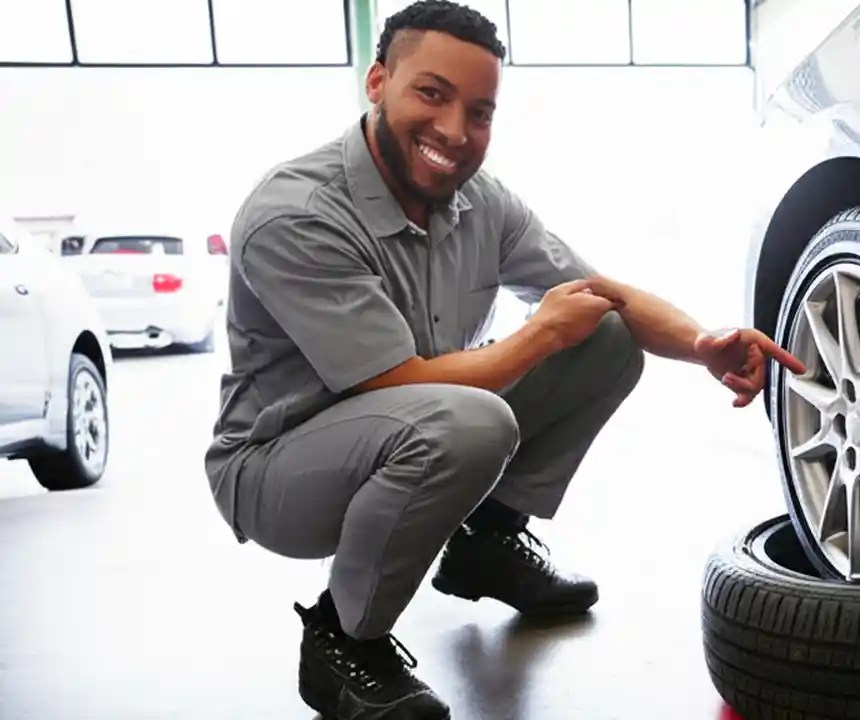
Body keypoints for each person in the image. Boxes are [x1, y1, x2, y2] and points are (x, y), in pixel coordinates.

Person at [203, 2, 805, 718]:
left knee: (603, 336)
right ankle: (344, 642)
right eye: (431, 93)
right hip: (276, 469)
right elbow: (393, 381)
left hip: (423, 425)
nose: (456, 132)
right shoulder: (296, 213)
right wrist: (539, 334)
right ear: (377, 81)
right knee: (471, 420)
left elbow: (597, 295)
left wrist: (701, 344)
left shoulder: (478, 201)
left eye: (480, 112)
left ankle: (488, 541)